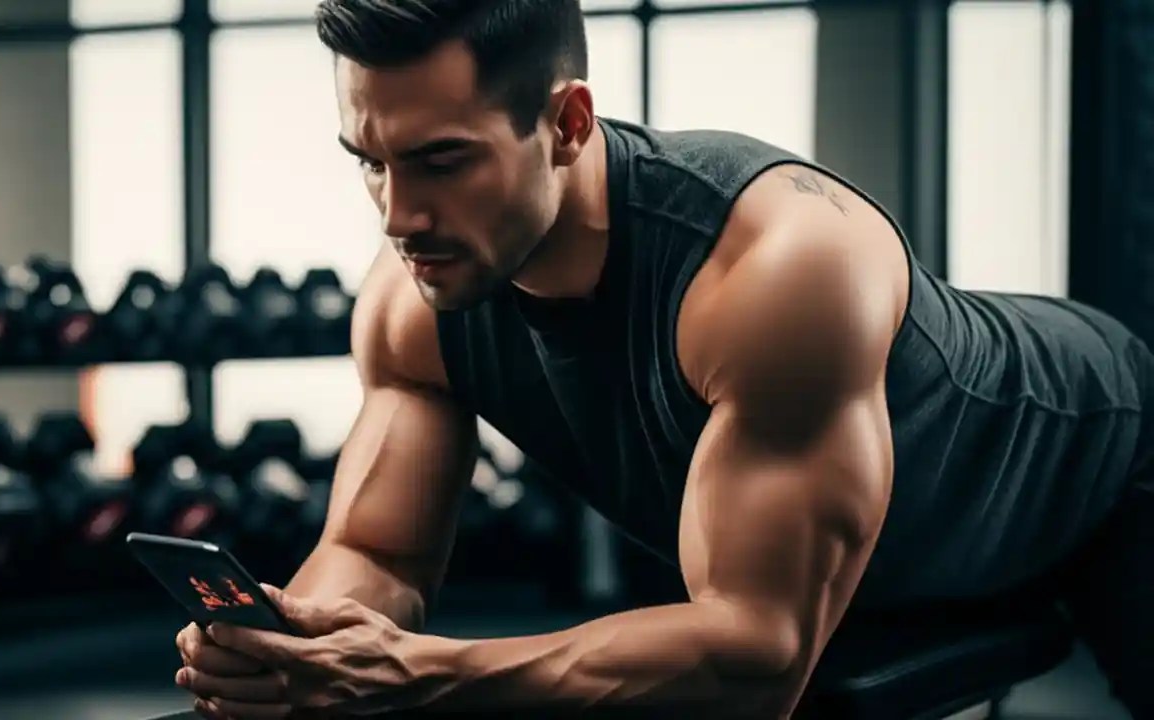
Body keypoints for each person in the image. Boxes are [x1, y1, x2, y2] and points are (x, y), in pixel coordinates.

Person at [173, 1, 1154, 717]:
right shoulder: (412, 301)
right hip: (850, 560)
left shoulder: (777, 269)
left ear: (564, 124)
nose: (397, 216)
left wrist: (419, 672)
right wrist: (291, 650)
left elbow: (754, 661)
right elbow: (377, 554)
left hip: (1094, 461)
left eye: (440, 161)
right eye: (369, 161)